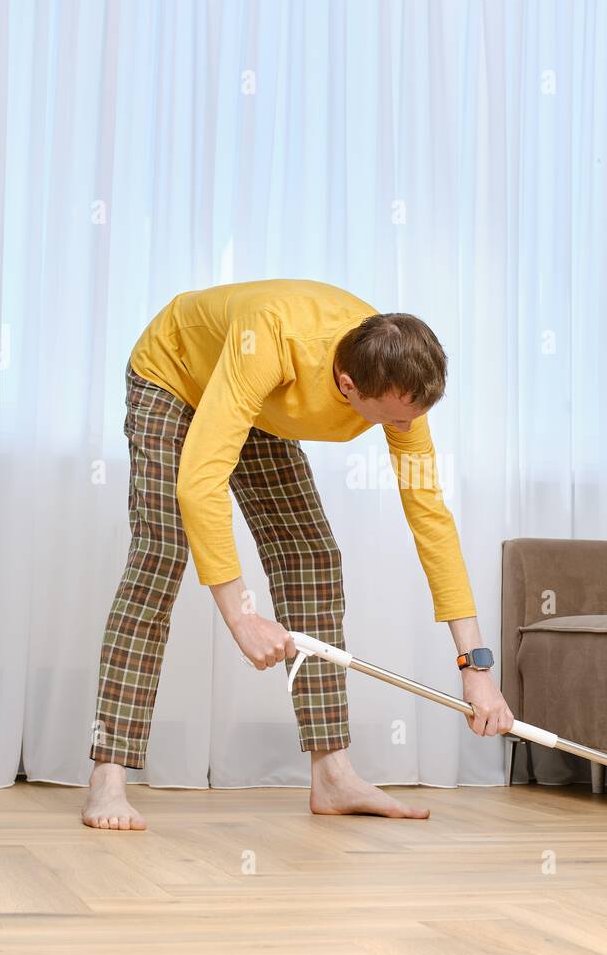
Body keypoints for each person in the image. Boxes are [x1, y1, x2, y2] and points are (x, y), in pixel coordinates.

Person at [83, 280, 513, 830]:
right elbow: (200, 482)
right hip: (174, 376)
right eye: (392, 419)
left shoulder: (403, 386)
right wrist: (241, 615)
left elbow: (430, 516)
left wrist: (474, 666)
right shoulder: (273, 342)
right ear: (346, 383)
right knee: (161, 553)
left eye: (412, 417)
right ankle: (107, 776)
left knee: (311, 557)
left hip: (256, 402)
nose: (406, 430)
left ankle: (332, 775)